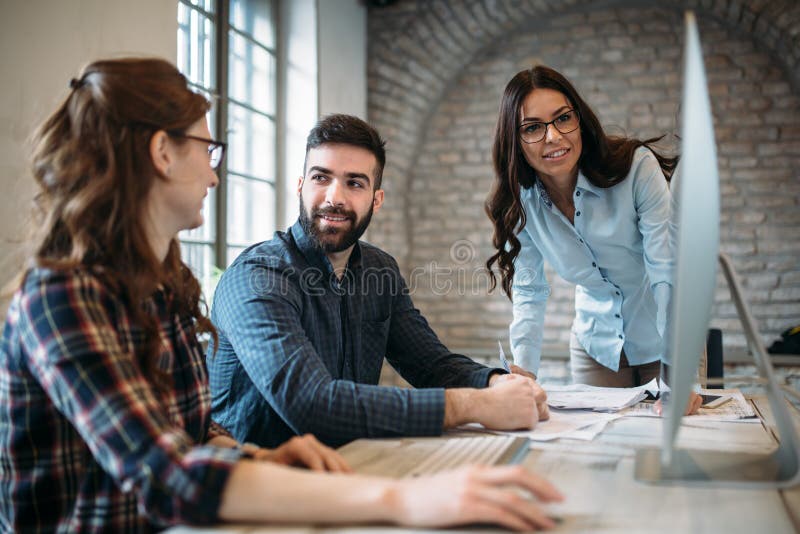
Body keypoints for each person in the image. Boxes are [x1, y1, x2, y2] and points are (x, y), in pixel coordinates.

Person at [0, 58, 563, 532]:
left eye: (355, 183)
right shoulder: (65, 298)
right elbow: (171, 471)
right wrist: (406, 498)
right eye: (207, 148)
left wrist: (259, 457)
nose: (215, 174)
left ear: (377, 198)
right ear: (162, 153)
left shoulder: (160, 287)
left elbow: (191, 434)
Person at [208, 114, 550, 449]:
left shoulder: (379, 271)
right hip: (256, 481)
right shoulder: (257, 278)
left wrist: (496, 382)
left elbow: (431, 364)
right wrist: (475, 405)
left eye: (354, 183)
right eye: (321, 178)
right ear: (301, 186)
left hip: (351, 466)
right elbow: (310, 403)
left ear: (377, 199)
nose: (334, 197)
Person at [485, 65, 702, 414]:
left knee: (676, 447)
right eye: (533, 128)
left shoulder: (636, 170)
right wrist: (524, 371)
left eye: (563, 119)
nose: (553, 137)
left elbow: (667, 271)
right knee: (599, 454)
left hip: (666, 342)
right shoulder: (521, 201)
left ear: (579, 120)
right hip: (596, 347)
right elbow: (529, 290)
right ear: (515, 140)